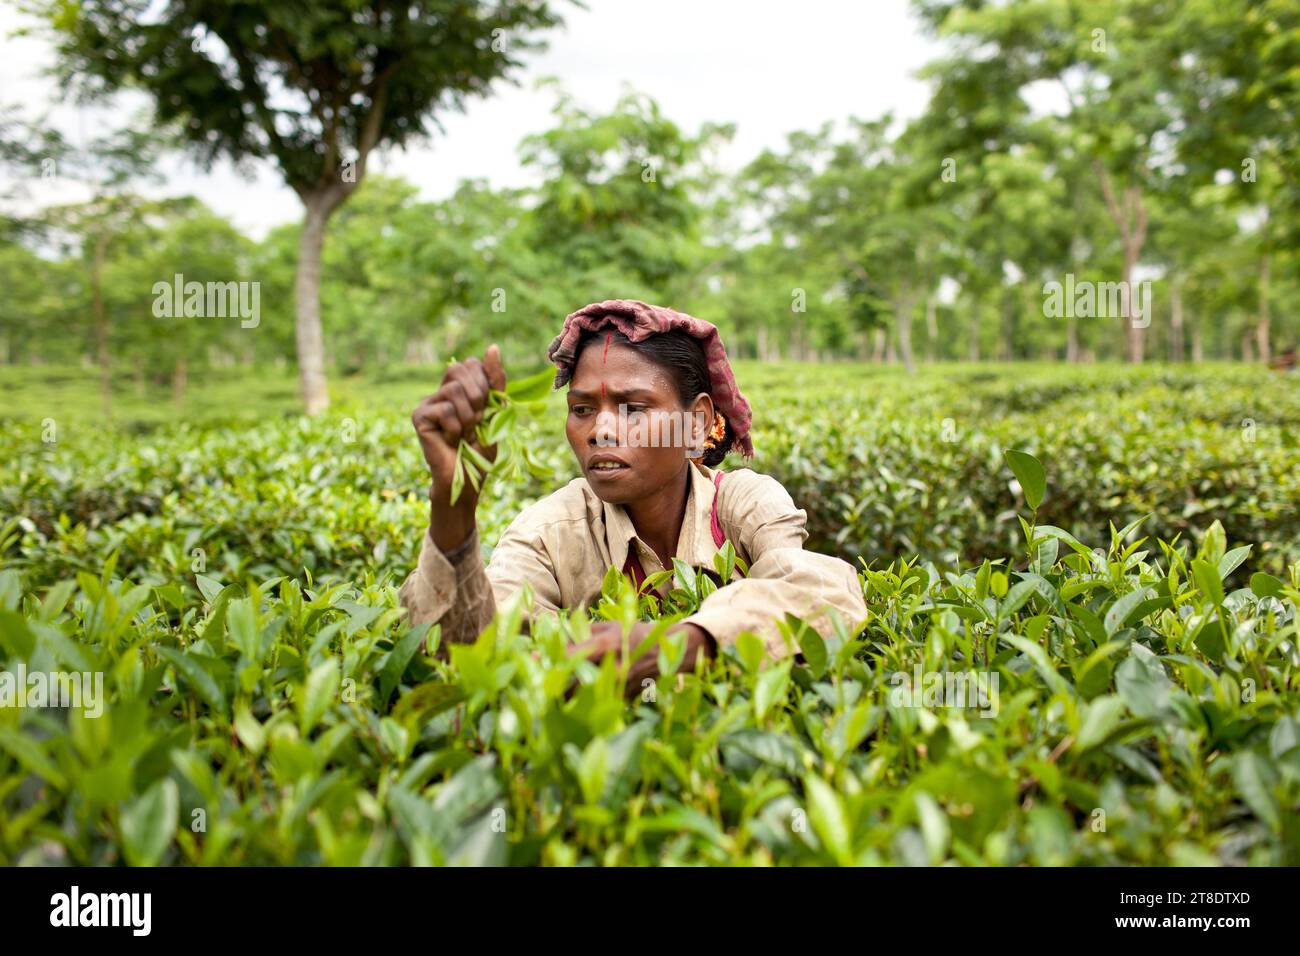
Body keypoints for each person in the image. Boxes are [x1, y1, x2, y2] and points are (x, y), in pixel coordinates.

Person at [399, 299, 866, 682]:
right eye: (581, 409)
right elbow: (469, 651)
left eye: (633, 407)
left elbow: (823, 593)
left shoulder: (742, 505)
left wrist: (684, 643)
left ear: (696, 422)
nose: (601, 430)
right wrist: (453, 504)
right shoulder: (552, 529)